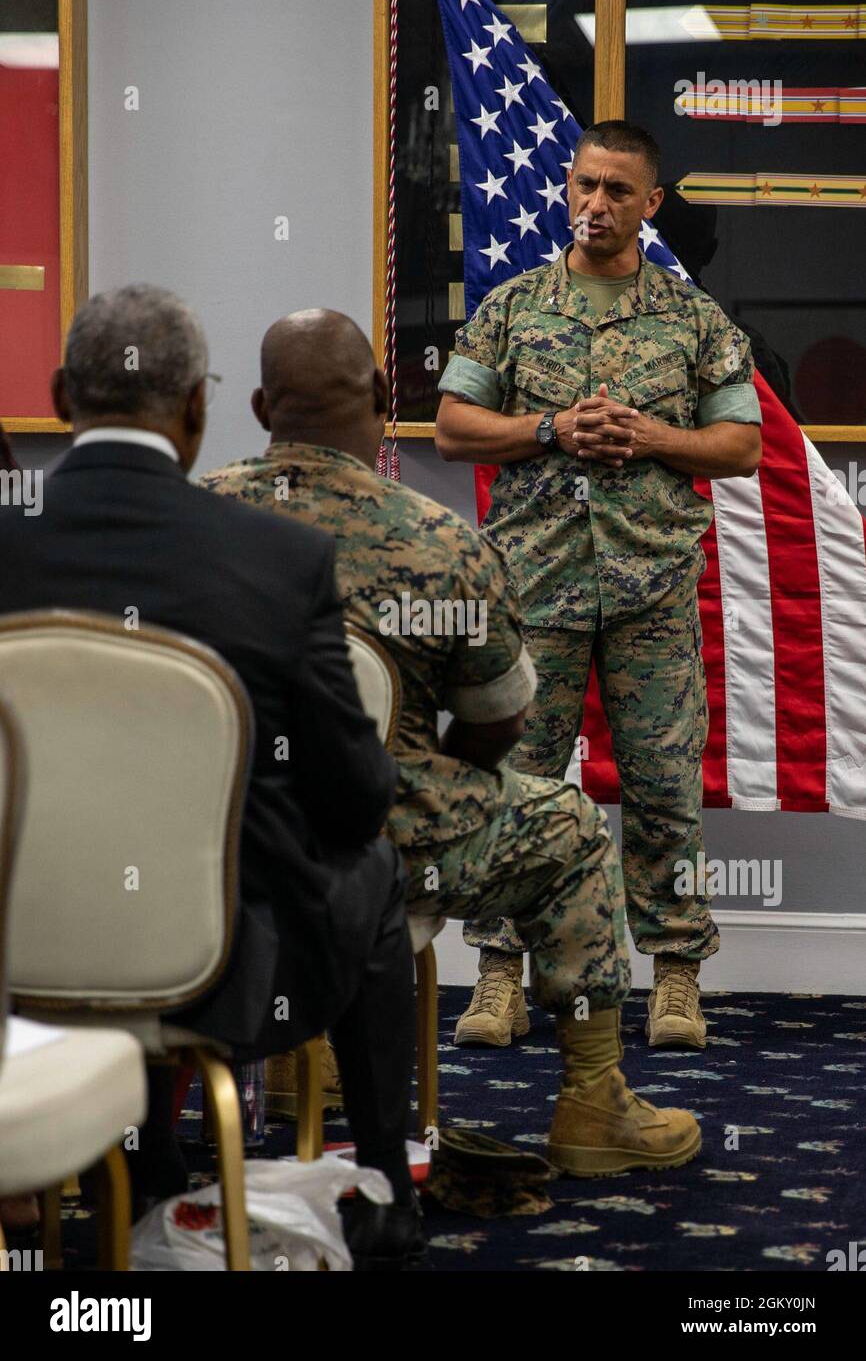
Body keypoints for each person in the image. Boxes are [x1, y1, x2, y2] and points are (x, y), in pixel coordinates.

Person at [199, 307, 702, 1179]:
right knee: (573, 827)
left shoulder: (195, 526)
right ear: (386, 399)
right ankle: (592, 1104)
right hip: (391, 844)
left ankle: (293, 1060)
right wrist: (446, 777)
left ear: (256, 404)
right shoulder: (440, 545)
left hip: (212, 851)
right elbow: (501, 718)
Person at [0, 286, 420, 1269]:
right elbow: (354, 799)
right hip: (226, 973)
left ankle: (141, 1170)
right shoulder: (279, 560)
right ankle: (388, 1187)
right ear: (197, 409)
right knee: (377, 870)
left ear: (62, 393)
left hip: (18, 966)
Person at [435, 121, 762, 1052]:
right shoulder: (512, 306)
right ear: (567, 188)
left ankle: (675, 979)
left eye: (619, 190)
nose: (597, 204)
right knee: (518, 785)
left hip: (651, 588)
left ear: (650, 204)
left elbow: (742, 445)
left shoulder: (694, 321)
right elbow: (455, 427)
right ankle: (497, 975)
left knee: (663, 789)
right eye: (585, 185)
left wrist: (651, 438)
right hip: (536, 586)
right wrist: (550, 430)